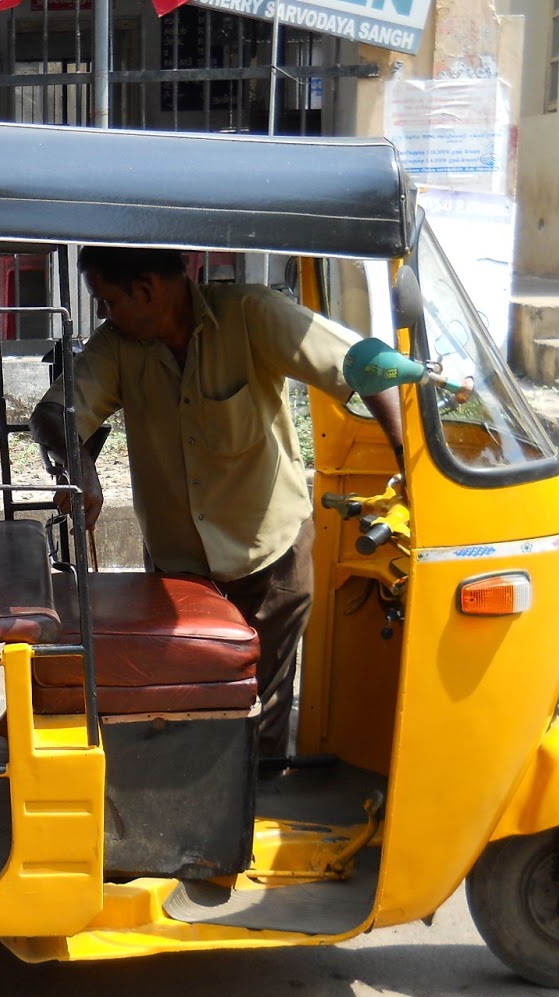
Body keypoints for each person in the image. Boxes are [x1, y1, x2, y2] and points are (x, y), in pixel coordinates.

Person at [29, 246, 402, 763]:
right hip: (180, 571)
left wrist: (407, 460)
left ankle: (262, 806)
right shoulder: (117, 346)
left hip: (271, 557)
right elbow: (52, 414)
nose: (104, 316)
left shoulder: (252, 315)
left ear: (146, 291)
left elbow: (364, 365)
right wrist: (81, 465)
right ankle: (198, 812)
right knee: (187, 701)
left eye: (108, 301)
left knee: (262, 702)